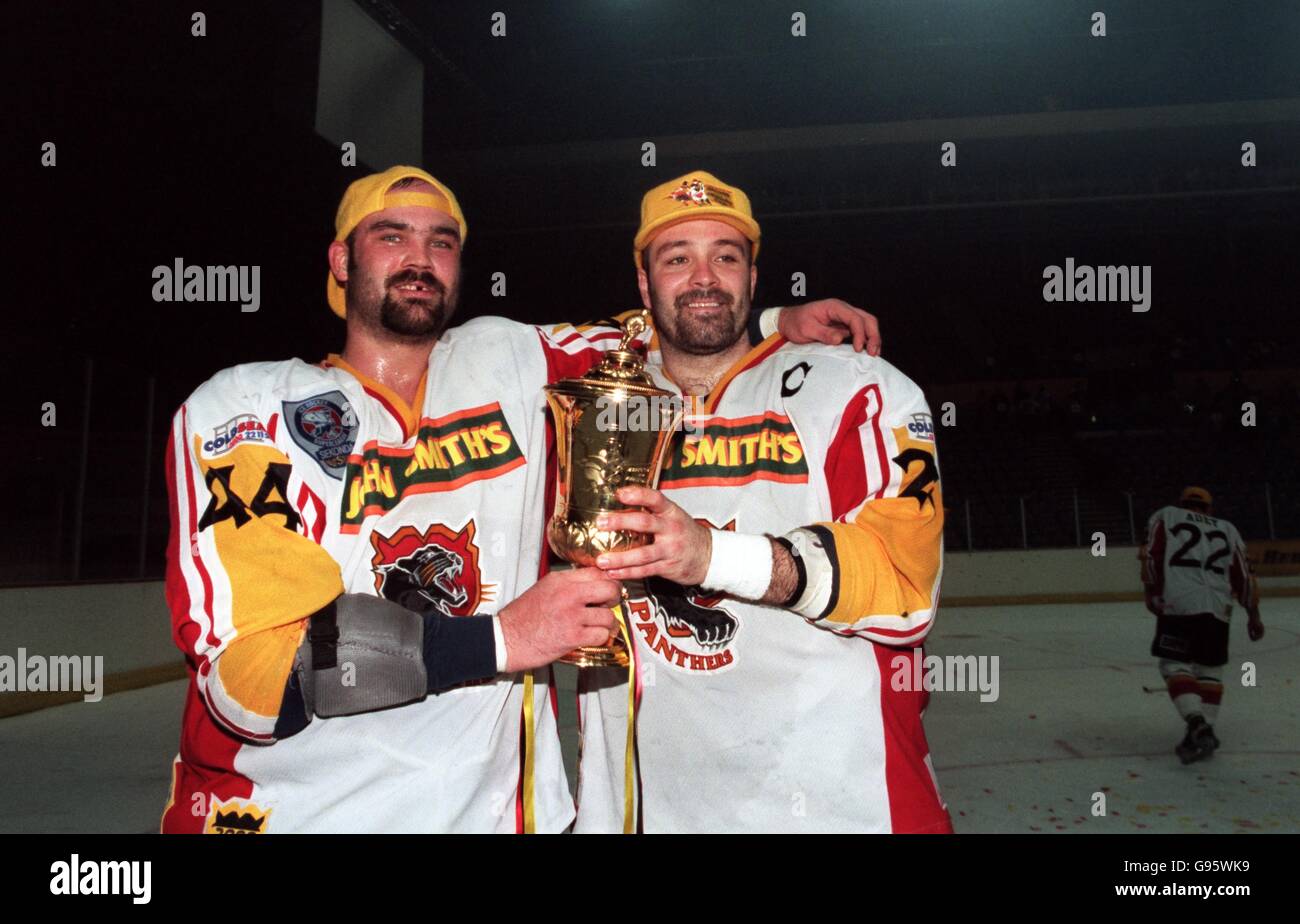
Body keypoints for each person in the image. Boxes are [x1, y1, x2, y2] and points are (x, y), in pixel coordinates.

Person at [161, 165, 882, 833]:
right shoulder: (248, 407)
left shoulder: (509, 359)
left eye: (442, 242)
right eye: (392, 236)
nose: (420, 257)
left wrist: (769, 324)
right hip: (303, 816)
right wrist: (505, 638)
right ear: (343, 263)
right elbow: (257, 679)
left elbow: (661, 335)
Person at [575, 171, 950, 833]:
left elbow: (903, 585)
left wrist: (711, 557)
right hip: (651, 806)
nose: (705, 278)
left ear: (753, 276)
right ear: (643, 283)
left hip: (838, 804)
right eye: (677, 258)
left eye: (726, 256)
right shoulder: (596, 401)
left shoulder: (857, 388)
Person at [1141, 486, 1264, 764]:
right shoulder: (1228, 528)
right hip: (1218, 607)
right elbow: (1244, 575)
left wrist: (1151, 591)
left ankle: (1197, 723)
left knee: (1174, 665)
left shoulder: (1167, 515)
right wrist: (1253, 614)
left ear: (1181, 503)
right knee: (1210, 670)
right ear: (1209, 509)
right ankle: (1203, 731)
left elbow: (1151, 556)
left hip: (1179, 602)